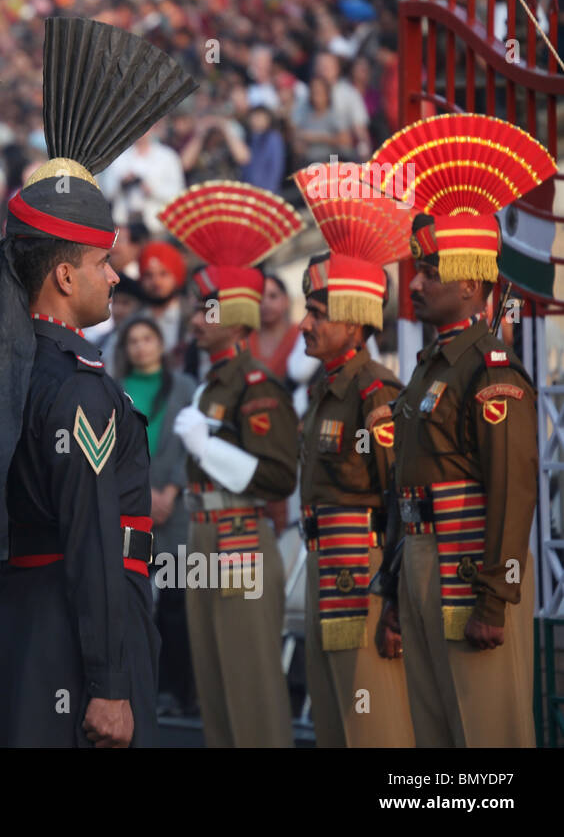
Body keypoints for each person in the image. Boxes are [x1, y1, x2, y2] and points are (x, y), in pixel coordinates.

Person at [0, 17, 196, 747]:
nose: (115, 276)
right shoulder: (76, 386)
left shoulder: (2, 373)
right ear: (62, 273)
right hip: (75, 638)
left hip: (19, 632)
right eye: (101, 262)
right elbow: (90, 539)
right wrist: (111, 683)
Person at [373, 113, 551, 747]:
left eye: (430, 274)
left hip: (469, 565)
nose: (416, 285)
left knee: (487, 734)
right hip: (421, 558)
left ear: (472, 280)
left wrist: (495, 595)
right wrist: (392, 586)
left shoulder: (490, 370)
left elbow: (512, 488)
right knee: (438, 734)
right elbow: (403, 483)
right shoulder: (430, 367)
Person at [160, 180, 302, 748]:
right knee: (215, 693)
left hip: (240, 536)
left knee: (252, 692)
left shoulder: (254, 385)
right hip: (203, 537)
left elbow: (277, 477)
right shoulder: (213, 384)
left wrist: (208, 448)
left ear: (237, 314)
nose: (196, 319)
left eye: (207, 308)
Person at [293, 164, 414, 746]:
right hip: (327, 570)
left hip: (364, 576)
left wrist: (392, 600)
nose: (304, 326)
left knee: (375, 725)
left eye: (318, 314)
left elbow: (399, 498)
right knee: (336, 721)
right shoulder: (325, 390)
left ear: (355, 321)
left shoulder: (375, 392)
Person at [114, 316, 197, 716]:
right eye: (133, 340)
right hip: (130, 508)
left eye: (147, 338)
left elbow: (192, 444)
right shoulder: (115, 389)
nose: (141, 346)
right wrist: (142, 494)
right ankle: (138, 688)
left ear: (161, 343)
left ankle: (177, 692)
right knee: (134, 598)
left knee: (176, 605)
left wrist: (170, 492)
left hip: (175, 511)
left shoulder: (184, 387)